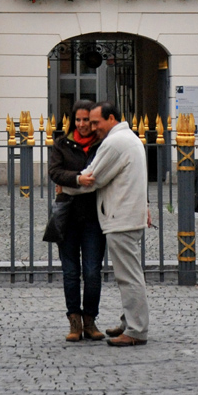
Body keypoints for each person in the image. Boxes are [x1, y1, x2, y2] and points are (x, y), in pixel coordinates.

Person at [78, 102, 149, 347]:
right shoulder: (131, 138)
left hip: (121, 217)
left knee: (128, 277)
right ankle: (128, 321)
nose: (93, 127)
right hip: (129, 215)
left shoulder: (114, 143)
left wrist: (68, 182)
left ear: (111, 118)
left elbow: (93, 177)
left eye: (97, 122)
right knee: (130, 274)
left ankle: (136, 330)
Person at [48, 103, 106, 343]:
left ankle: (90, 319)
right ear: (72, 121)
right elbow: (54, 172)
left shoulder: (102, 144)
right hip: (68, 215)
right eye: (78, 120)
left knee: (92, 272)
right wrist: (78, 179)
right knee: (71, 272)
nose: (82, 125)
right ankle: (74, 321)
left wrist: (73, 182)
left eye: (86, 120)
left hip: (94, 215)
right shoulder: (61, 144)